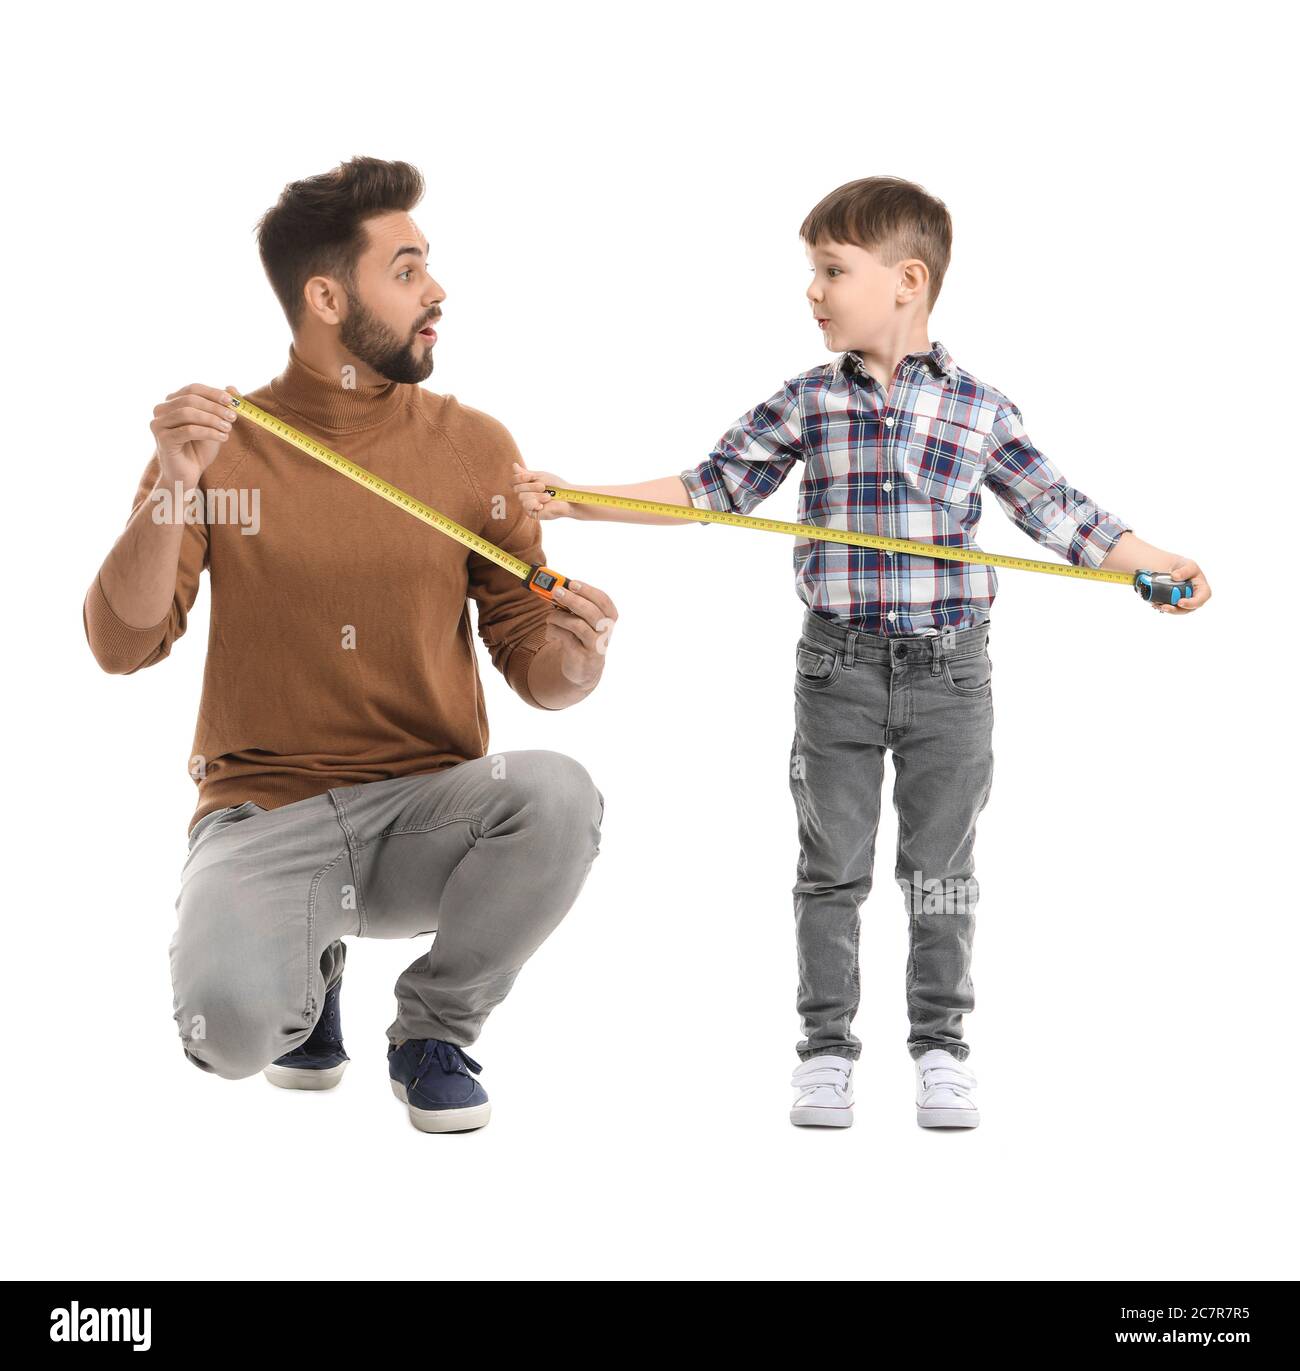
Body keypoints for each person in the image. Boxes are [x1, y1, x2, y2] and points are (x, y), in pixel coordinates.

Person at [512, 175, 1211, 1130]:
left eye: (832, 270)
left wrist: (1158, 561)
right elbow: (709, 486)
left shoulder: (980, 410)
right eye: (813, 271)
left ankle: (941, 1048)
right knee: (829, 867)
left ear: (907, 281)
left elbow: (1063, 515)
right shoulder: (808, 402)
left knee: (941, 868)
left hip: (952, 677)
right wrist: (578, 496)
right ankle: (827, 1050)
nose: (814, 291)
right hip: (835, 670)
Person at [83, 156, 615, 1134]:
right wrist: (169, 477)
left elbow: (532, 654)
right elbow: (121, 646)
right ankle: (305, 978)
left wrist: (574, 657)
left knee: (558, 796)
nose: (438, 291)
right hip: (262, 818)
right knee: (228, 1035)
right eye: (406, 270)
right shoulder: (220, 445)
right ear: (326, 297)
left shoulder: (471, 445)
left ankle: (434, 1029)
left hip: (428, 814)